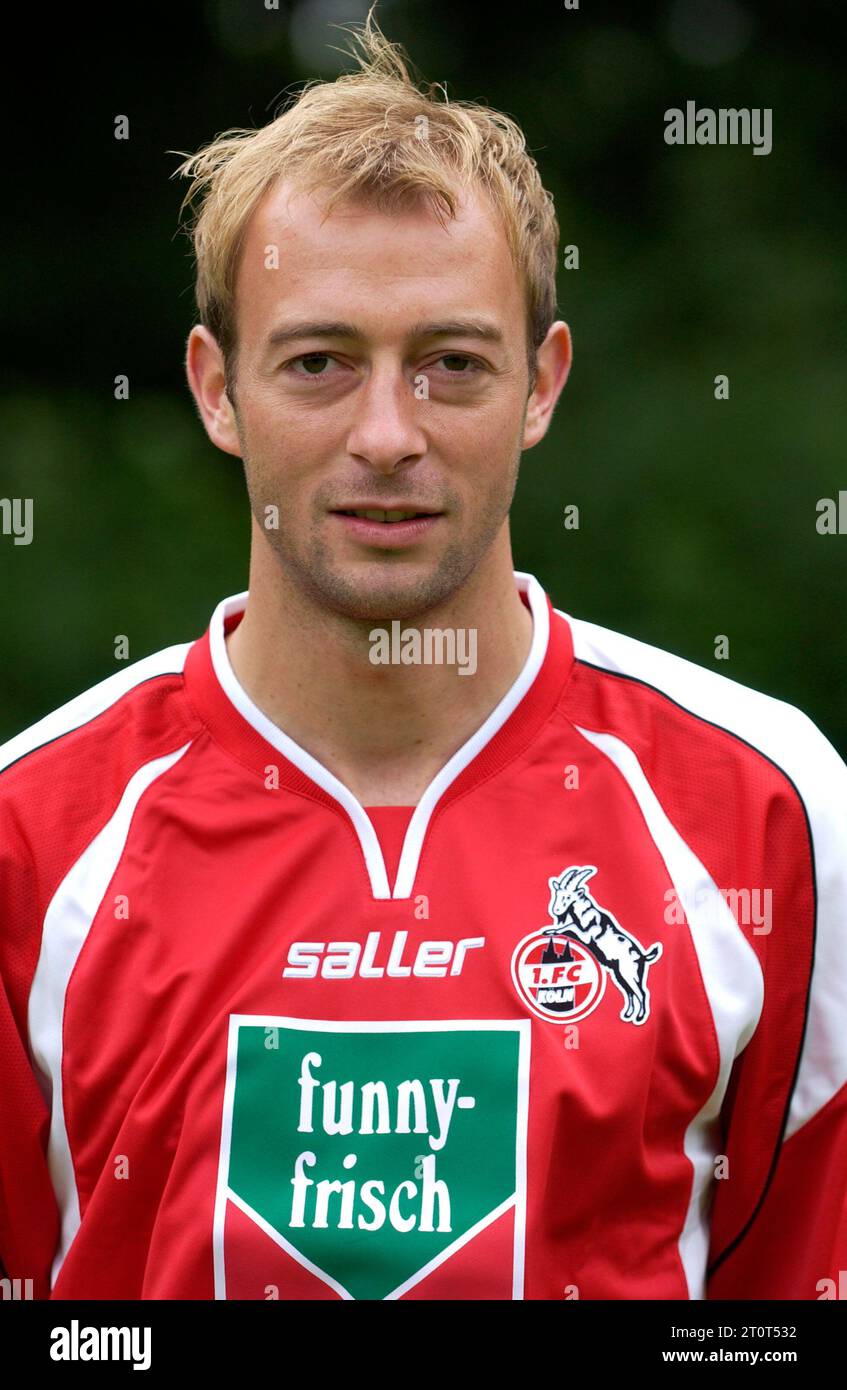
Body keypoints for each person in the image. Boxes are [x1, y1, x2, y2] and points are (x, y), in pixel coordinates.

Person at [1, 8, 845, 1302]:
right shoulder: (31, 836)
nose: (387, 431)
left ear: (543, 384)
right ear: (217, 387)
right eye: (321, 362)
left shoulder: (771, 811)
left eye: (452, 363)